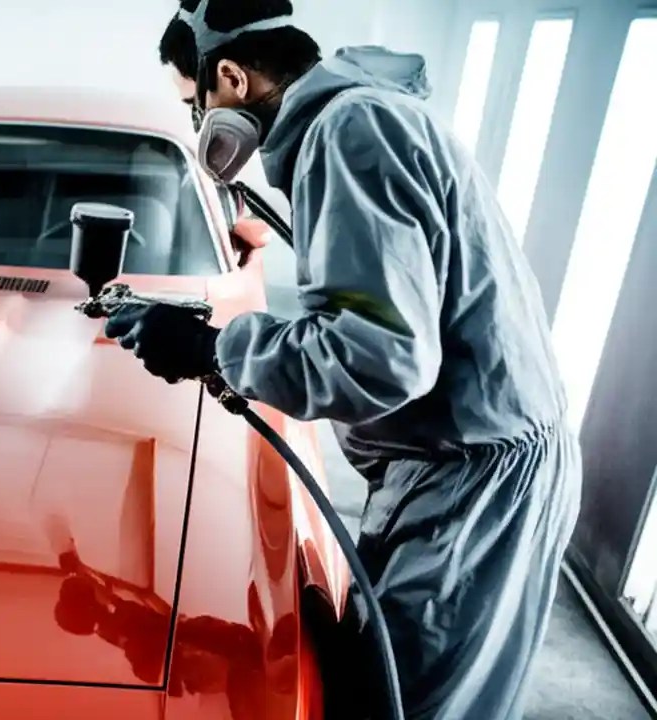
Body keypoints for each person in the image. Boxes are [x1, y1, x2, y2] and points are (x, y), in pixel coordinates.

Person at [104, 1, 583, 718]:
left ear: (229, 78)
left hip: (472, 477)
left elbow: (382, 355)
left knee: (409, 705)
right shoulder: (363, 118)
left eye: (192, 104)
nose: (199, 129)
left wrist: (212, 346)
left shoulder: (349, 132)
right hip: (468, 456)